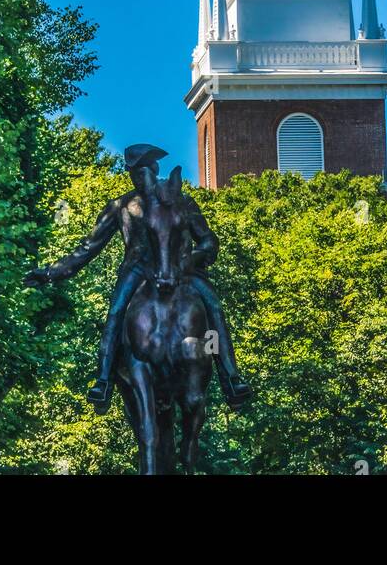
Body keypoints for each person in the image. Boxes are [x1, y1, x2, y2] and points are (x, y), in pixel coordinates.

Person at [25, 143, 251, 413]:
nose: (140, 176)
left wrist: (190, 260)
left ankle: (230, 377)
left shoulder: (182, 202)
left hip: (180, 271)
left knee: (213, 307)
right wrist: (50, 273)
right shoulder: (120, 207)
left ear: (154, 170)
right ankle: (104, 380)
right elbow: (88, 248)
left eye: (144, 170)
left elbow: (208, 241)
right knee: (117, 311)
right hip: (138, 270)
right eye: (134, 171)